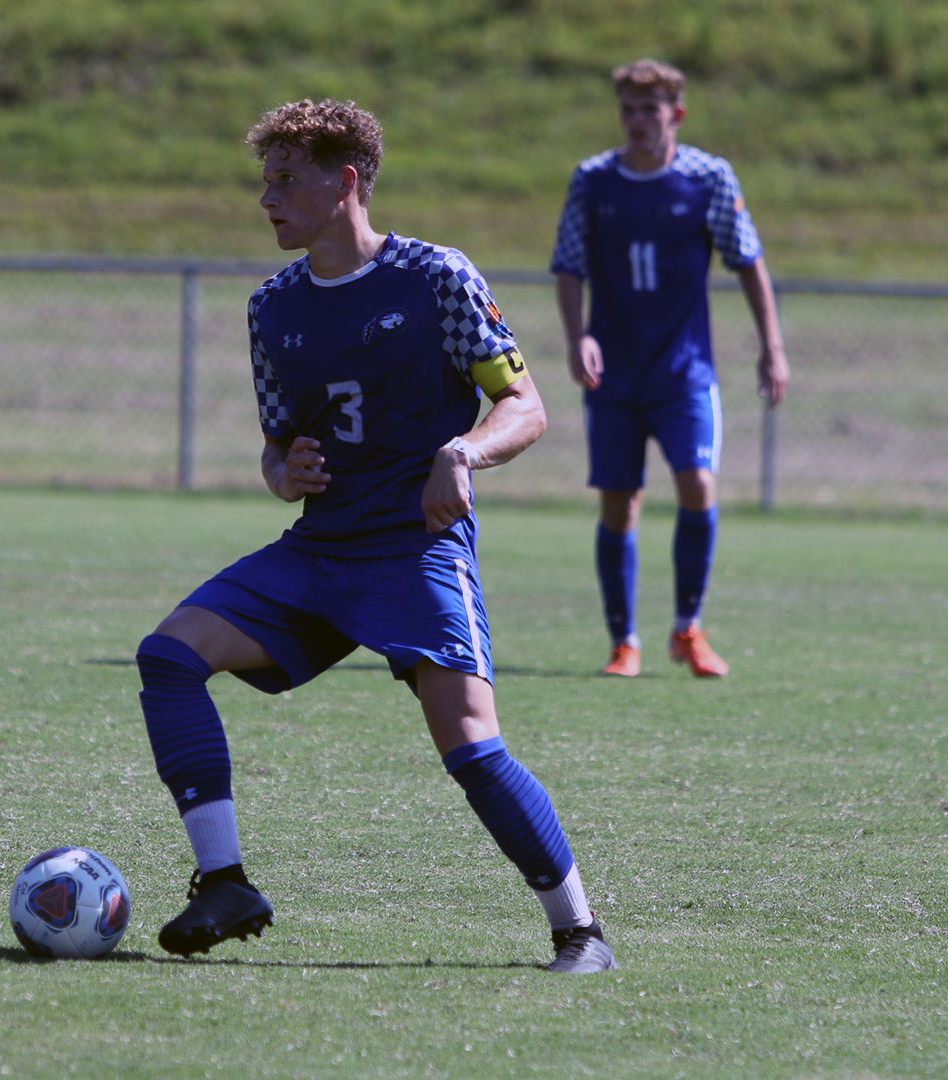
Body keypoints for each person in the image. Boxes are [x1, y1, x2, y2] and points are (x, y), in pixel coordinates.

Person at [133, 99, 617, 974]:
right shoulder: (272, 307)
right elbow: (278, 450)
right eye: (265, 180)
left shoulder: (436, 277)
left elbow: (528, 406)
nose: (267, 199)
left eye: (287, 180)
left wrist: (461, 452)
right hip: (318, 553)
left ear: (345, 181)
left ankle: (580, 933)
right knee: (169, 655)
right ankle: (225, 882)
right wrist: (285, 474)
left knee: (469, 743)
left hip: (416, 551)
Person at [551, 58, 791, 679]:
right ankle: (622, 642)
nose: (637, 121)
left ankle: (688, 628)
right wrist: (578, 339)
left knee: (699, 486)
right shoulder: (593, 180)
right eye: (627, 109)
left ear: (676, 114)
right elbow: (568, 264)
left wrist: (773, 346)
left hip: (684, 373)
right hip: (614, 375)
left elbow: (747, 260)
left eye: (649, 109)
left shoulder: (708, 178)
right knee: (619, 506)